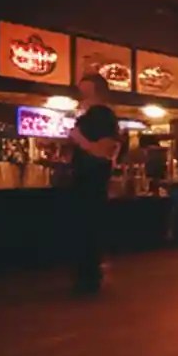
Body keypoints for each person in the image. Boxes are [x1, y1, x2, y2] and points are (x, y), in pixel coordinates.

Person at [67, 73, 119, 295]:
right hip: (85, 184)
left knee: (88, 231)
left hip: (92, 184)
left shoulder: (103, 116)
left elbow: (105, 151)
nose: (80, 95)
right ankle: (86, 278)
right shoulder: (91, 115)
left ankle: (88, 281)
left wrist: (79, 139)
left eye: (84, 90)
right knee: (84, 231)